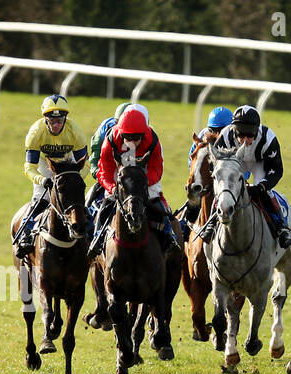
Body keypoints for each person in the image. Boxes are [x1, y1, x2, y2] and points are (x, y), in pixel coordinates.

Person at [88, 104, 180, 259]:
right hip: (120, 173)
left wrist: (142, 183)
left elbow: (157, 169)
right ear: (120, 132)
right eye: (127, 137)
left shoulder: (152, 140)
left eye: (136, 138)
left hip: (144, 176)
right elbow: (105, 170)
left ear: (144, 133)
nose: (132, 141)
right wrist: (112, 187)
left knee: (155, 198)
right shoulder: (111, 140)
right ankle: (97, 237)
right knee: (108, 200)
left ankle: (169, 234)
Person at [13, 94, 90, 259]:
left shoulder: (75, 131)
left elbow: (87, 165)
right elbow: (29, 167)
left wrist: (75, 178)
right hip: (45, 165)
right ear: (45, 120)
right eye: (52, 121)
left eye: (60, 121)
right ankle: (26, 236)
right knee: (41, 199)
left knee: (75, 199)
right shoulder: (35, 132)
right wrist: (42, 180)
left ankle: (91, 236)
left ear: (65, 119)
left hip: (68, 165)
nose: (56, 125)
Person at [212, 105, 291, 249]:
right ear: (234, 130)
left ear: (257, 130)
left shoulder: (268, 138)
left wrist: (261, 187)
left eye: (250, 136)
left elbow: (276, 170)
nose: (245, 141)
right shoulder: (225, 136)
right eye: (240, 135)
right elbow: (216, 167)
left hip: (259, 163)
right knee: (223, 190)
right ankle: (211, 223)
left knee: (264, 190)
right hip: (234, 162)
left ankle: (281, 227)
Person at [180, 106, 235, 231]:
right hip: (208, 182)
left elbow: (244, 170)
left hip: (229, 184)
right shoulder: (203, 135)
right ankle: (184, 225)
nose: (216, 134)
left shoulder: (235, 138)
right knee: (194, 200)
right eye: (213, 130)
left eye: (220, 130)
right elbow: (192, 160)